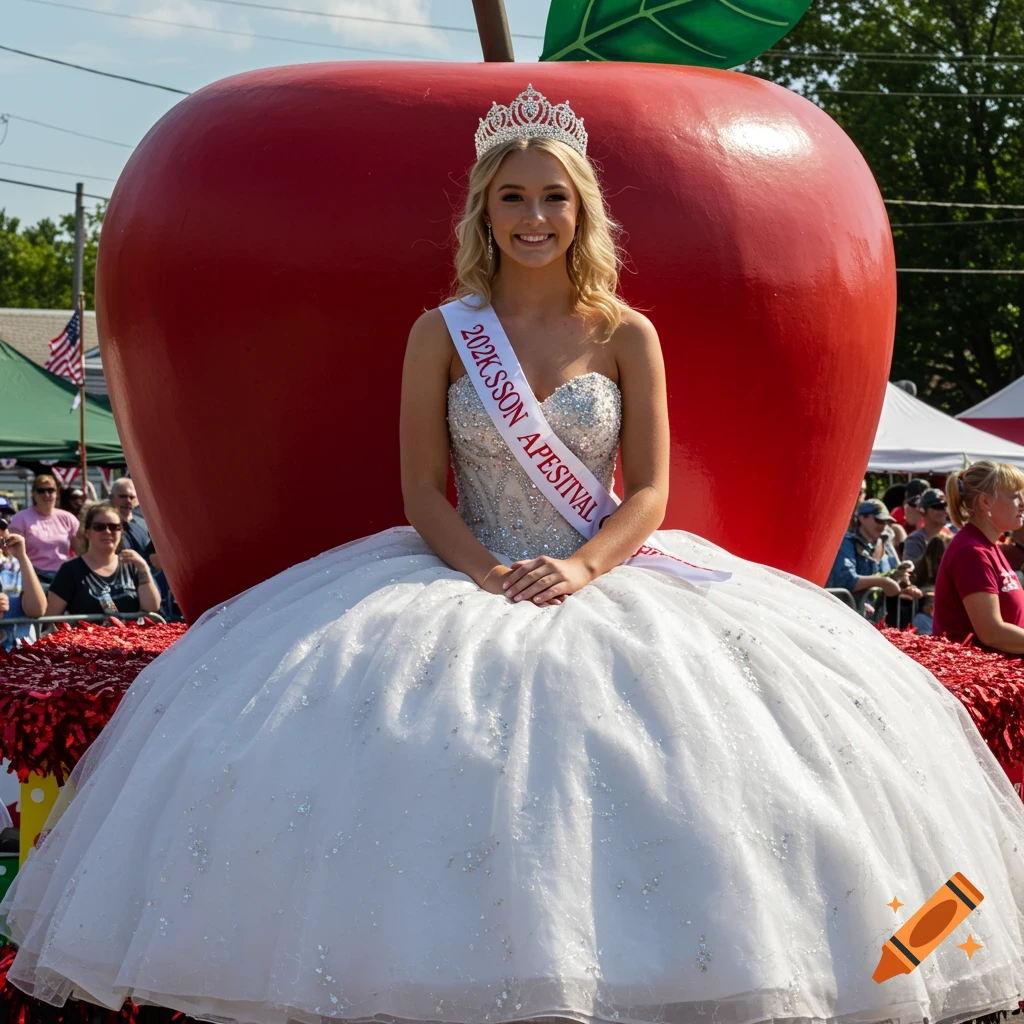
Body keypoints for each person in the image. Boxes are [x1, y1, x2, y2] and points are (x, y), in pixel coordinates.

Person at [4, 86, 1024, 1024]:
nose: (533, 217)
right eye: (511, 198)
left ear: (581, 209)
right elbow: (419, 489)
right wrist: (483, 570)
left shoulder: (625, 333)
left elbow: (652, 491)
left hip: (603, 572)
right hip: (460, 569)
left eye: (552, 197)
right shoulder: (443, 333)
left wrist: (581, 570)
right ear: (483, 212)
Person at [933, 460, 1024, 652]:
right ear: (985, 502)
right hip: (975, 676)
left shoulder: (986, 546)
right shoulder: (971, 551)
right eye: (1015, 496)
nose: (1023, 503)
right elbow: (992, 633)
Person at [44, 503, 160, 619]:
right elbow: (52, 618)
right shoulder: (70, 570)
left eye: (114, 527)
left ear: (121, 531)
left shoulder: (133, 565)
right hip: (85, 636)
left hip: (128, 635)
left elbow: (151, 608)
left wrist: (143, 568)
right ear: (87, 532)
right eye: (99, 527)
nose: (108, 531)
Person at [825, 499, 921, 608]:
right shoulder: (847, 542)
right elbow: (846, 579)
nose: (883, 526)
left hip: (877, 617)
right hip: (848, 614)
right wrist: (882, 582)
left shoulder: (886, 543)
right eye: (879, 521)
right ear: (862, 518)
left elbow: (896, 574)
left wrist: (906, 587)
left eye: (887, 522)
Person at [7, 474, 82, 585]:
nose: (47, 495)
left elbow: (81, 550)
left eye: (51, 490)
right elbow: (11, 552)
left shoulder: (68, 518)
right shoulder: (20, 518)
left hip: (64, 574)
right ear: (33, 494)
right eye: (41, 491)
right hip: (32, 574)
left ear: (57, 493)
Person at [0, 518, 46, 651]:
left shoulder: (15, 566)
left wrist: (22, 556)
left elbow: (37, 610)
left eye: (2, 528)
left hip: (23, 656)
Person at [901, 488, 952, 563]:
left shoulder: (951, 536)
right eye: (938, 506)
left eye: (946, 506)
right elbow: (914, 571)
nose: (944, 510)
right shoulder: (915, 540)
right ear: (923, 510)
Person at [109, 478, 151, 556]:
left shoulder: (145, 525)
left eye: (132, 497)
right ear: (111, 498)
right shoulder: (103, 526)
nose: (128, 501)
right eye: (123, 496)